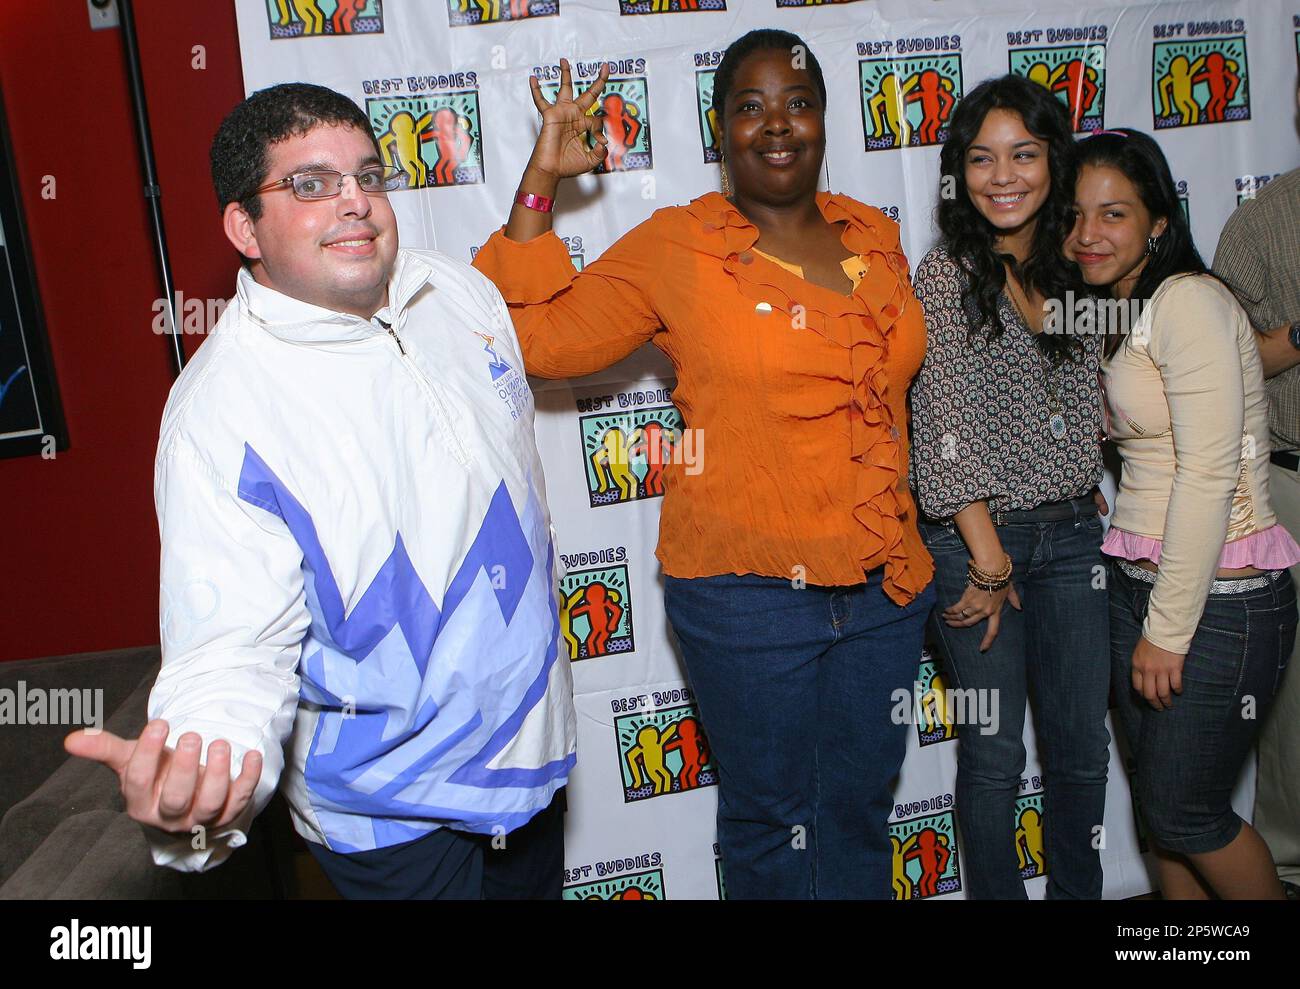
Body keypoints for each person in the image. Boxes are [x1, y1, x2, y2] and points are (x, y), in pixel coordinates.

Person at [63, 83, 576, 899]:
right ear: (244, 228)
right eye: (309, 184)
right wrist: (201, 776)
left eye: (368, 176)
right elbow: (233, 644)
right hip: (393, 820)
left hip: (532, 765)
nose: (354, 203)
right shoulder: (222, 412)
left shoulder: (459, 294)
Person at [472, 29, 936, 899]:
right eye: (750, 106)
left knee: (859, 813)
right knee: (770, 824)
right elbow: (532, 337)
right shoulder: (677, 246)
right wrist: (543, 179)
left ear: (825, 120)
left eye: (798, 103)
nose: (777, 124)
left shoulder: (874, 237)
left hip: (885, 591)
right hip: (746, 594)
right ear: (718, 126)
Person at [1068, 128, 1300, 899]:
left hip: (1216, 601)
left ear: (1159, 222)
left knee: (1190, 812)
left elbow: (1209, 470)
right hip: (1141, 581)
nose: (1087, 235)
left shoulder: (1189, 301)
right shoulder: (1119, 308)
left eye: (1113, 215)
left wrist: (1166, 630)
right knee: (1161, 816)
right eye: (1076, 216)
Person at [908, 75, 1111, 900]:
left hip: (1071, 542)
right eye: (983, 157)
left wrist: (1078, 486)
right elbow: (944, 429)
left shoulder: (1074, 269)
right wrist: (989, 564)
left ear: (1053, 163)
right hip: (975, 542)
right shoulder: (946, 274)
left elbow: (1087, 400)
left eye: (1024, 154)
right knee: (994, 751)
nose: (1004, 176)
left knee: (1080, 748)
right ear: (960, 172)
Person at [1212, 161, 1300, 900]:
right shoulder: (1261, 223)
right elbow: (1228, 363)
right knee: (1294, 702)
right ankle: (1292, 868)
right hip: (1291, 479)